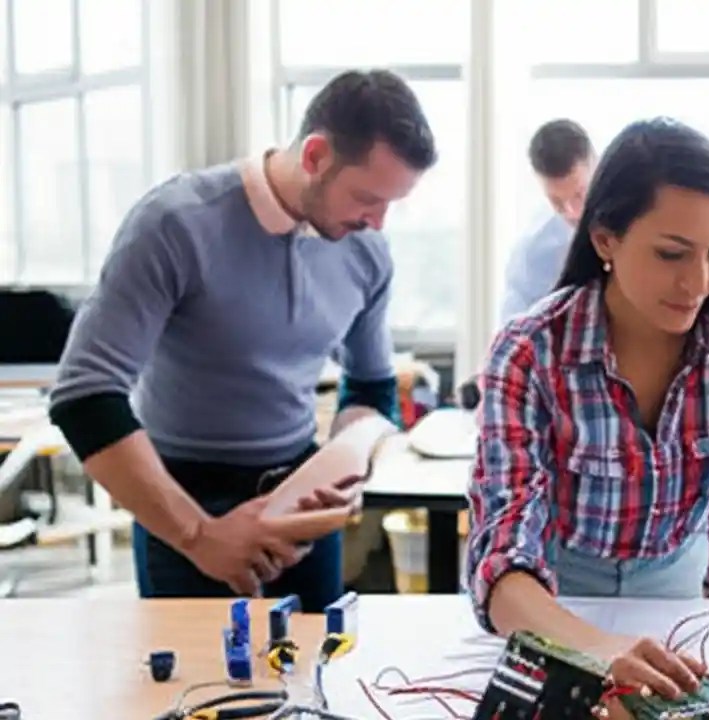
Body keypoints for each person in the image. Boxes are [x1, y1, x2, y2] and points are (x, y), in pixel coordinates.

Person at [48, 69, 438, 611]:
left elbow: (371, 388)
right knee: (194, 690)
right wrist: (199, 536)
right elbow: (84, 397)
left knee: (310, 679)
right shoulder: (175, 224)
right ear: (316, 156)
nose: (377, 222)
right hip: (183, 505)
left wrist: (347, 467)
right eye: (367, 198)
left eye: (391, 204)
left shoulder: (367, 252)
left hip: (304, 506)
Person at [467, 117, 709, 699]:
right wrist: (600, 651)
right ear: (605, 239)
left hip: (678, 598)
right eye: (672, 254)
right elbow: (502, 555)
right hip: (548, 605)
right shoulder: (530, 350)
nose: (697, 282)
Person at [499, 118, 596, 321]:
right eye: (557, 202)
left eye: (579, 194)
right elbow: (512, 334)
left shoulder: (635, 222)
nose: (572, 213)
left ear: (596, 165)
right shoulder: (532, 253)